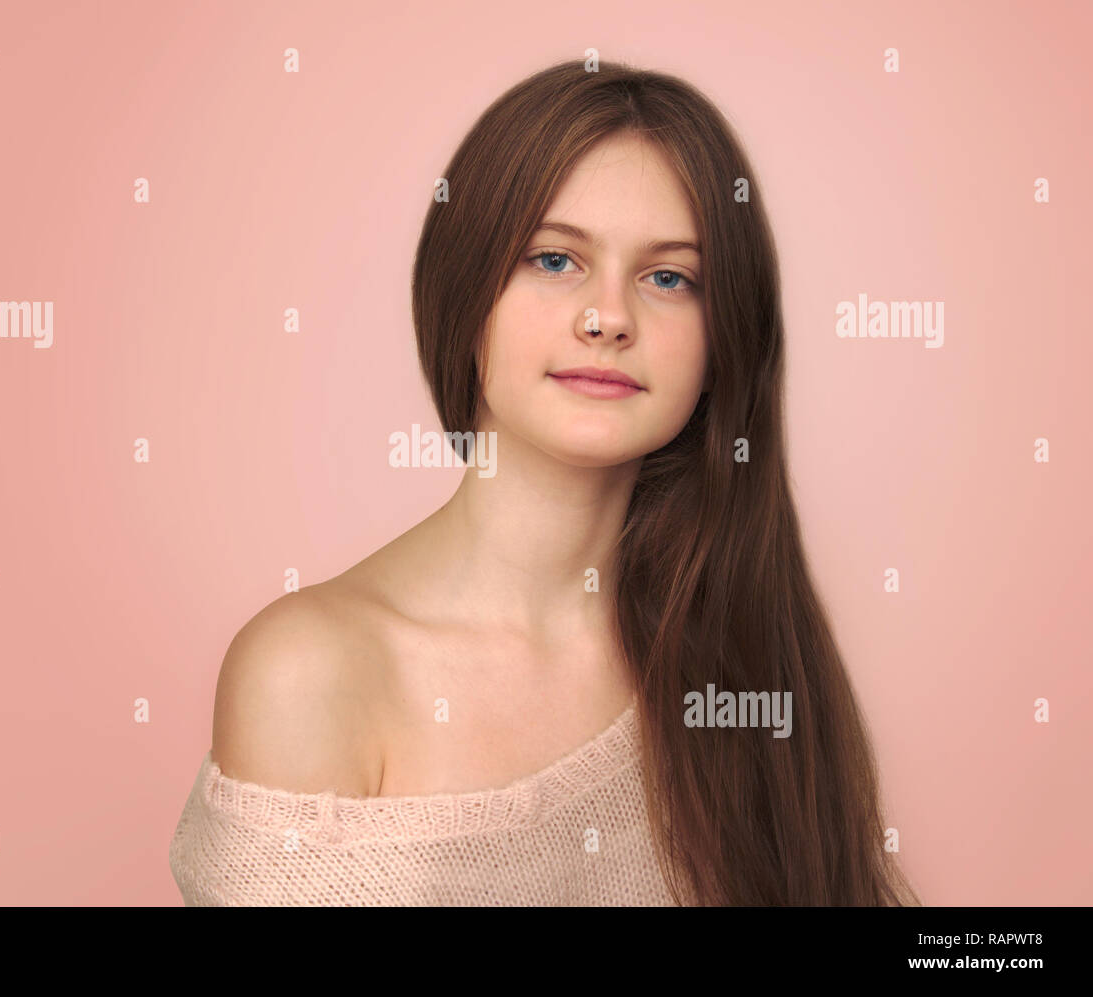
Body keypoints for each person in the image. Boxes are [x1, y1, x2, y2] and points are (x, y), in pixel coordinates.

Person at [169, 58, 920, 906]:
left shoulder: (744, 650)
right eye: (555, 259)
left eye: (668, 276)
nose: (608, 317)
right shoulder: (306, 670)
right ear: (466, 292)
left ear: (723, 345)